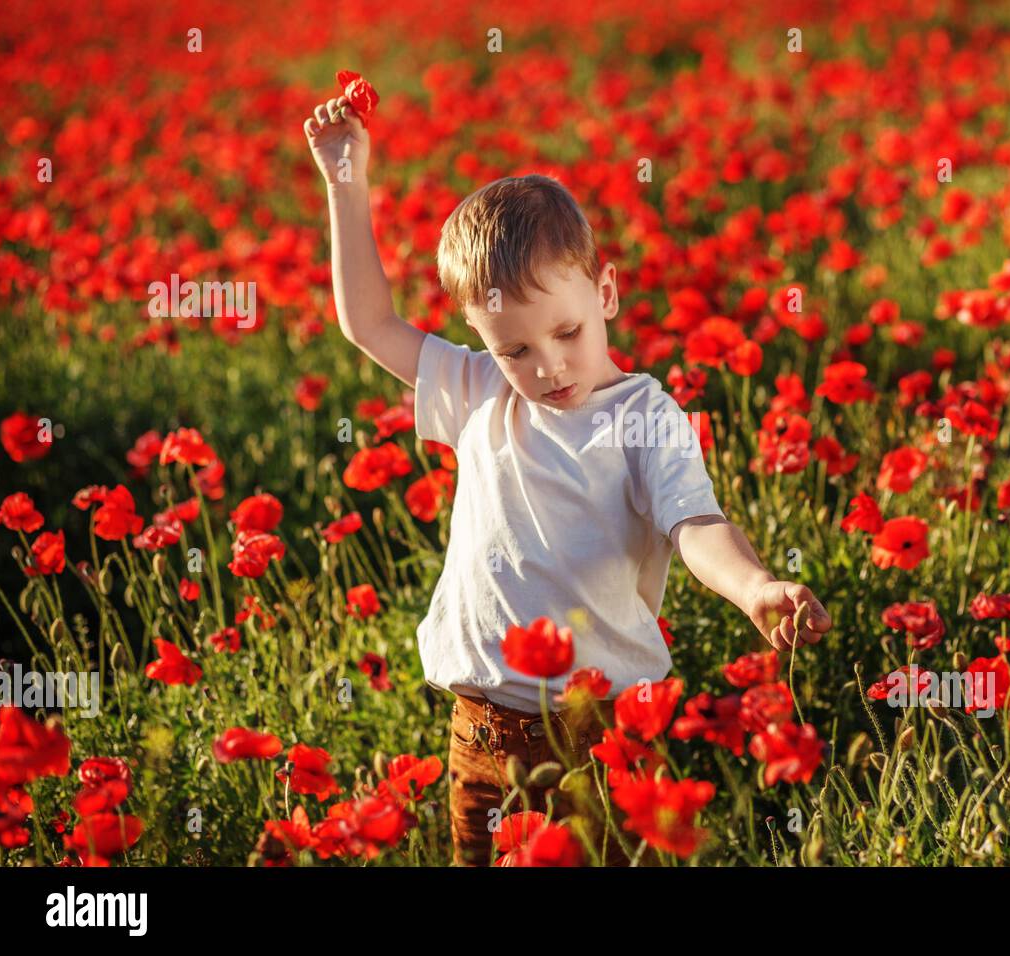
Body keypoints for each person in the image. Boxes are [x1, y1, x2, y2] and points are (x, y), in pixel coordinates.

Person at [305, 93, 832, 866]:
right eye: (514, 349)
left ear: (606, 293)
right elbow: (368, 324)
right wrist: (346, 182)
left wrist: (753, 585)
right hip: (478, 729)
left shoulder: (645, 417)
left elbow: (696, 524)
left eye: (567, 332)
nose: (547, 367)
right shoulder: (478, 390)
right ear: (482, 340)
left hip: (601, 735)